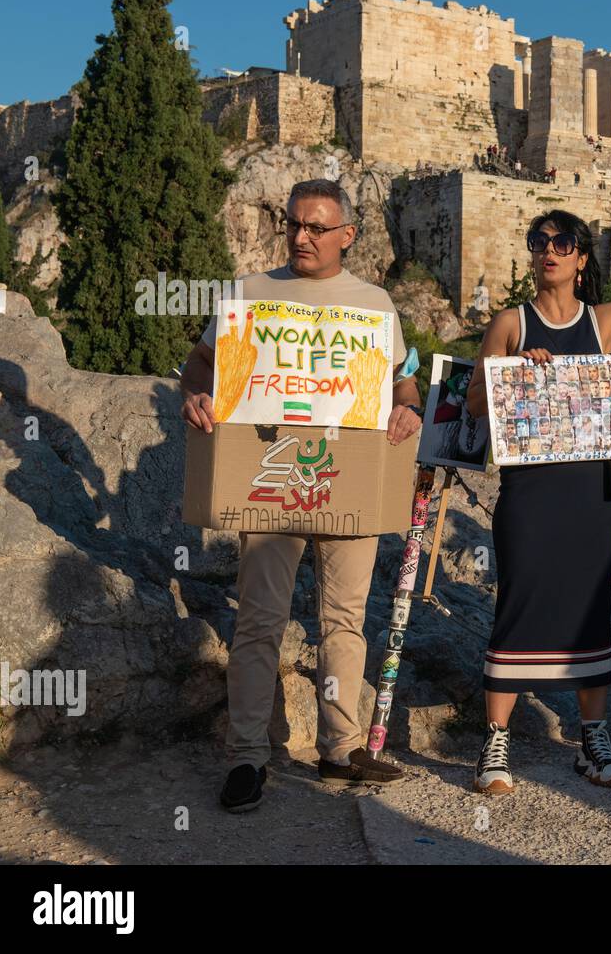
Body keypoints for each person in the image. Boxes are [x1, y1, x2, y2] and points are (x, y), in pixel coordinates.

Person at [180, 179, 423, 813]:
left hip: (351, 476)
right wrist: (196, 395)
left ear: (348, 235)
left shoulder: (374, 305)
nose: (302, 236)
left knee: (345, 620)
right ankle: (247, 757)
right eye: (293, 223)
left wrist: (408, 414)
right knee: (260, 620)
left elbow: (403, 386)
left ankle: (340, 748)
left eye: (318, 227)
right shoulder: (248, 294)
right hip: (268, 475)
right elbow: (199, 365)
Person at [464, 170, 611, 794]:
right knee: (518, 602)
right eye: (539, 240)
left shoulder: (606, 322)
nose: (547, 251)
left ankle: (593, 741)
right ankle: (496, 746)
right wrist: (511, 367)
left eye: (561, 241)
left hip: (593, 493)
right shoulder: (510, 324)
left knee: (593, 608)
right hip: (530, 493)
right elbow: (475, 407)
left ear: (581, 258)